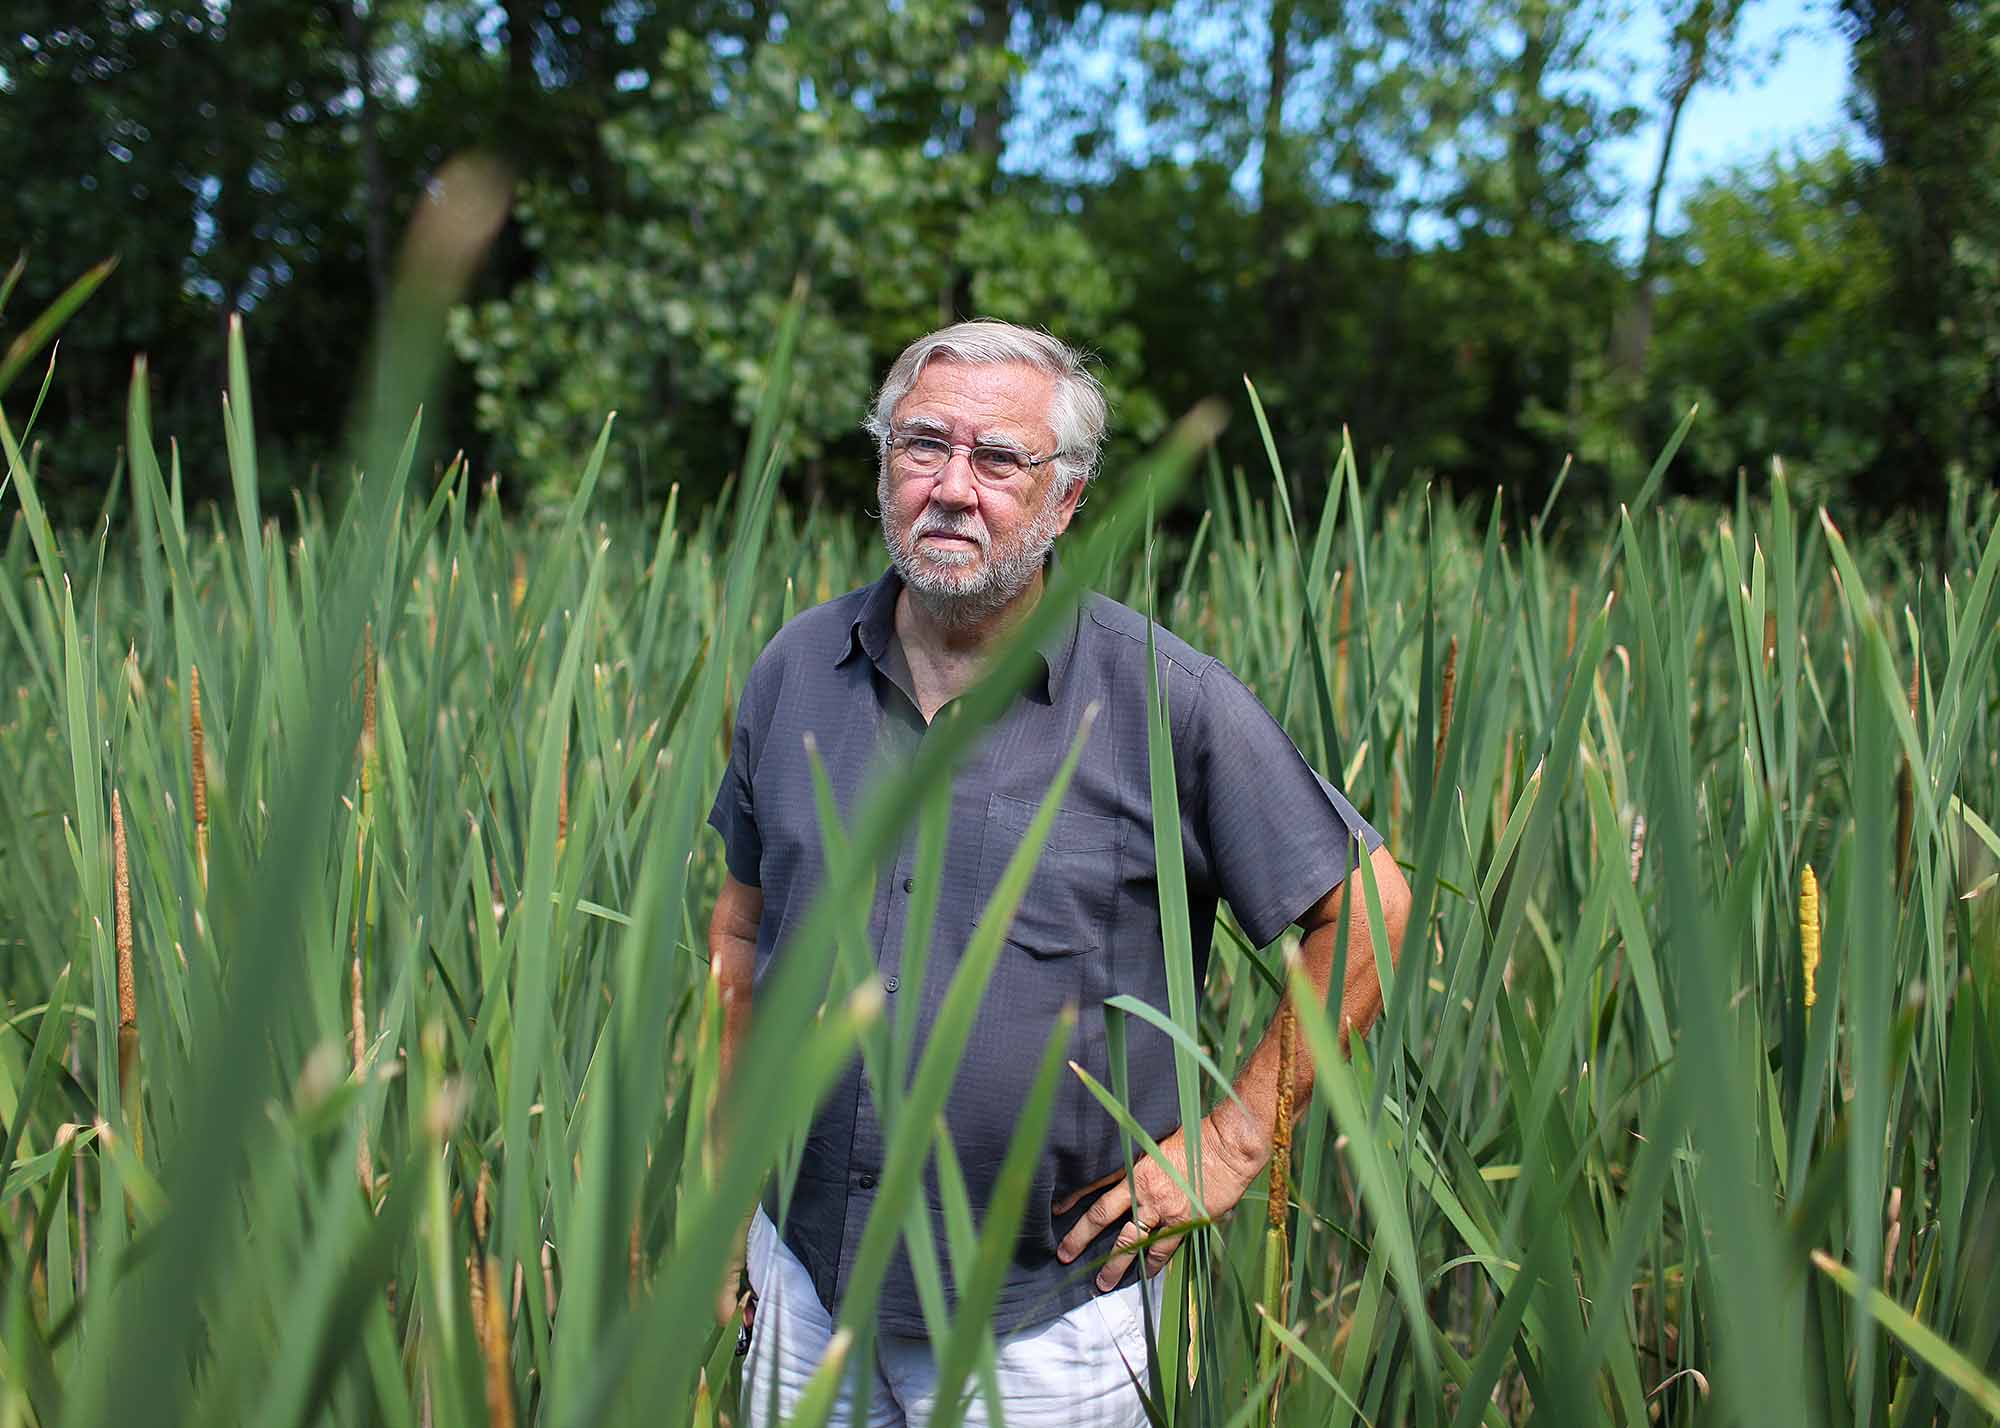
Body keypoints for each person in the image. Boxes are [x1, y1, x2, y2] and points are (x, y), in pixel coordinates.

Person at [706, 320, 1411, 1427]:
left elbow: (1365, 903)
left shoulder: (1160, 701)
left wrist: (1230, 1145)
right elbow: (742, 932)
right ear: (882, 463)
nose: (950, 487)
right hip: (800, 1284)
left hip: (1046, 1325)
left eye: (998, 460)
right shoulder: (797, 667)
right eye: (919, 445)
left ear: (1067, 500)